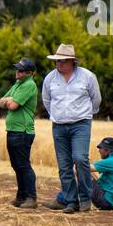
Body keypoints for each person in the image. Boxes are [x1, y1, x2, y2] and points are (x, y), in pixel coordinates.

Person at [41, 43, 101, 214]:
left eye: (62, 61)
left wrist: (86, 114)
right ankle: (70, 201)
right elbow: (47, 101)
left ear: (72, 62)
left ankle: (85, 198)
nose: (58, 64)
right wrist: (57, 115)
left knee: (80, 159)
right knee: (64, 164)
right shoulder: (50, 78)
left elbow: (96, 100)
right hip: (58, 126)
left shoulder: (87, 77)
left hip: (81, 124)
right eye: (57, 61)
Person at [0, 57, 39, 208]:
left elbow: (13, 105)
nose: (17, 72)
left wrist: (9, 100)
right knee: (16, 165)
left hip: (22, 131)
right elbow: (1, 101)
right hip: (14, 130)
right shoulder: (18, 83)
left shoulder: (28, 85)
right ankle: (21, 196)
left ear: (29, 73)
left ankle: (31, 197)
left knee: (23, 165)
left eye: (20, 70)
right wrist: (8, 100)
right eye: (17, 69)